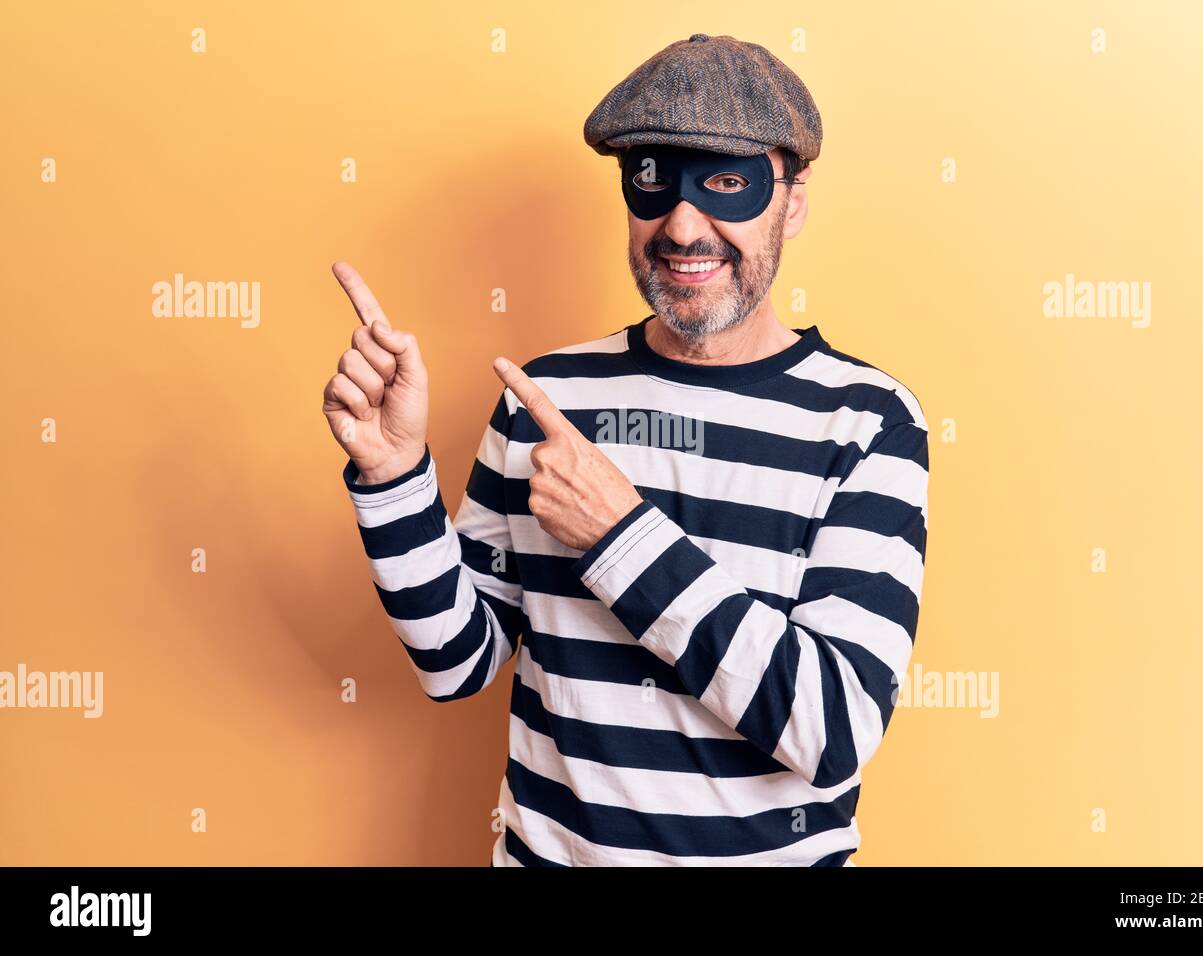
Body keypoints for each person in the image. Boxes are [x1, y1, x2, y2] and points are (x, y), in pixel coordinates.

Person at [321, 34, 929, 866]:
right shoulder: (546, 399)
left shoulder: (868, 423)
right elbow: (456, 661)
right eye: (653, 182)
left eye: (725, 184)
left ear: (791, 201)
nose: (682, 226)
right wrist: (392, 477)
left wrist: (620, 536)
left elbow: (832, 730)